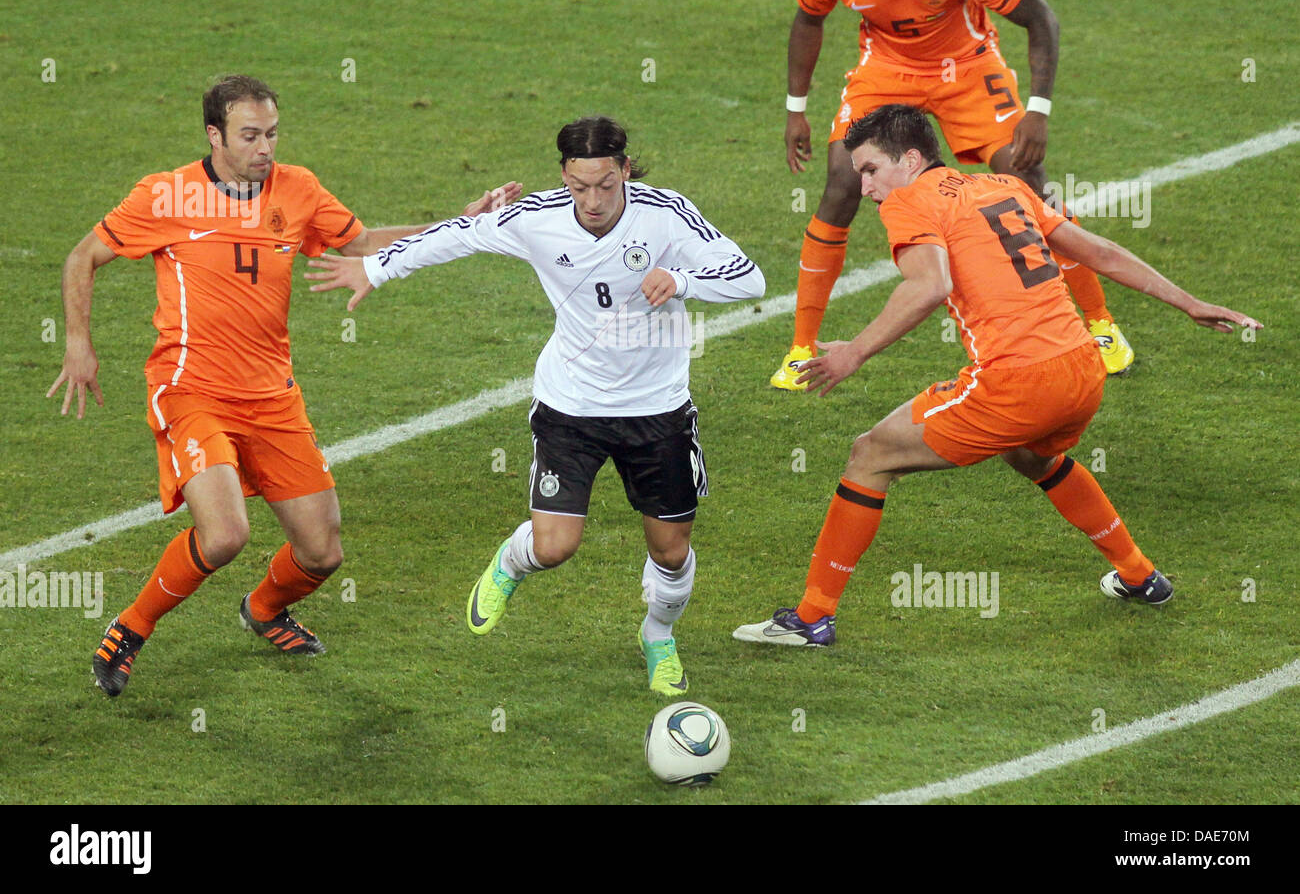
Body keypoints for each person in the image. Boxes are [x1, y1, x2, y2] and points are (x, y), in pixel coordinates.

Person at [47, 74, 521, 696]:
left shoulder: (296, 190)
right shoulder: (166, 196)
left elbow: (365, 244)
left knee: (323, 554)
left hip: (272, 396)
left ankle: (264, 608)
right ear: (213, 135)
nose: (264, 147)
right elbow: (83, 256)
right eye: (249, 135)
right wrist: (78, 343)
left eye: (271, 133)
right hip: (192, 389)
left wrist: (460, 227)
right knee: (225, 535)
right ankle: (130, 628)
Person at [735, 104, 1259, 646]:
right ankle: (1138, 575)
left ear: (911, 160)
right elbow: (1095, 250)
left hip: (1018, 382)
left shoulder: (910, 201)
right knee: (1030, 453)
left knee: (870, 455)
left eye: (870, 170)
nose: (864, 187)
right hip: (1082, 368)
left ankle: (812, 616)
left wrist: (854, 354)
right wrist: (1188, 302)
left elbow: (929, 286)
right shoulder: (1004, 186)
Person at [307, 116, 766, 694]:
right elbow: (458, 236)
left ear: (625, 170)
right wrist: (375, 266)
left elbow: (749, 277)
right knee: (554, 547)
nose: (593, 200)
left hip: (657, 410)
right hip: (570, 406)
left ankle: (658, 637)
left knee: (671, 552)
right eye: (579, 186)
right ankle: (510, 564)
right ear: (563, 176)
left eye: (605, 184)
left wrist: (680, 280)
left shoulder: (665, 213)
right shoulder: (537, 219)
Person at [771, 0, 1134, 391]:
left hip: (967, 67)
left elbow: (1041, 19)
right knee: (841, 179)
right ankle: (801, 348)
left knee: (1027, 179)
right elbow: (808, 19)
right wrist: (795, 109)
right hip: (888, 70)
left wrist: (1038, 109)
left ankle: (1102, 327)